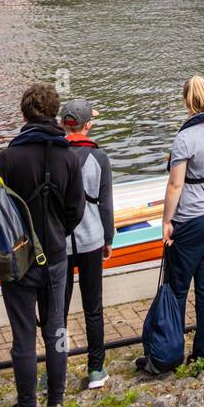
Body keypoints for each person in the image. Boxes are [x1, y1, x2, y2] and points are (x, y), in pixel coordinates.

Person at [0, 83, 86, 407]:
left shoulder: (8, 157)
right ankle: (56, 404)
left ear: (24, 114)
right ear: (55, 115)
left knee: (22, 335)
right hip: (56, 256)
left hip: (18, 259)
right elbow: (76, 209)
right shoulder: (68, 156)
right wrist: (58, 233)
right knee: (57, 328)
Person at [137, 76, 204, 373]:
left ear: (188, 102)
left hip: (191, 219)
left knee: (177, 287)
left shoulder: (185, 137)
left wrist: (165, 221)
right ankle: (203, 353)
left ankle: (167, 352)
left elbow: (175, 185)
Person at [60, 99, 114, 390]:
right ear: (88, 126)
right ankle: (96, 368)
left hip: (61, 244)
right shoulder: (100, 157)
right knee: (93, 307)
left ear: (61, 125)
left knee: (58, 310)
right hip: (91, 239)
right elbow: (106, 203)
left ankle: (57, 367)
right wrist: (108, 238)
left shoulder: (53, 156)